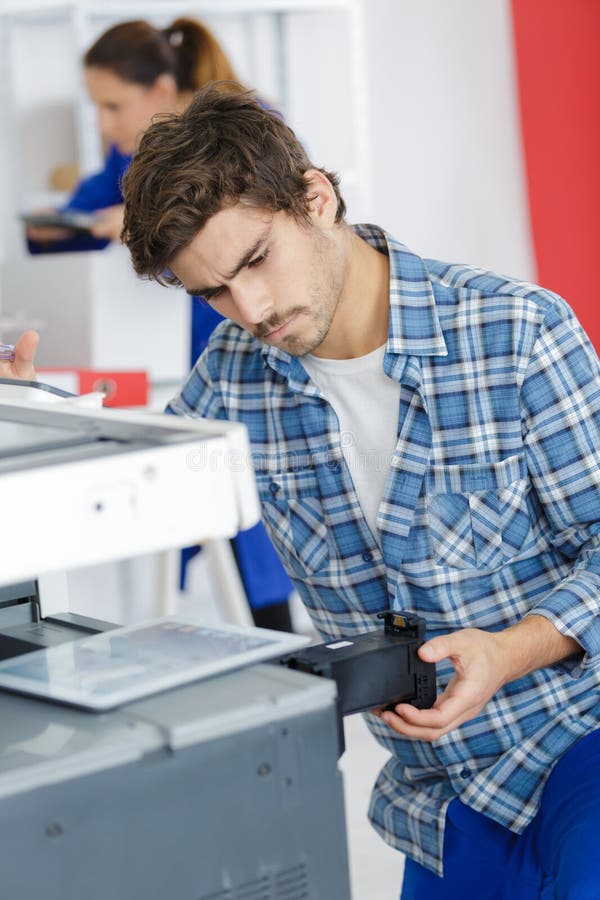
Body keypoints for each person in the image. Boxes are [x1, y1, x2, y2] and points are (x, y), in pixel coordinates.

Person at [10, 85, 600, 898]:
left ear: (315, 198)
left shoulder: (518, 334)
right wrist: (29, 425)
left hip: (581, 745)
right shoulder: (234, 376)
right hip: (446, 798)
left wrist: (509, 650)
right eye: (212, 292)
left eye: (255, 260)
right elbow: (133, 488)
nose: (248, 309)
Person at [25, 18, 295, 632]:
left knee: (245, 495)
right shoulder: (131, 148)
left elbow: (258, 213)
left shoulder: (242, 121)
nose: (105, 124)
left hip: (248, 331)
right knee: (199, 484)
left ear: (160, 89)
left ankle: (283, 651)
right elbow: (82, 206)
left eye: (113, 105)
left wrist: (133, 213)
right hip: (180, 346)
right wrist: (58, 223)